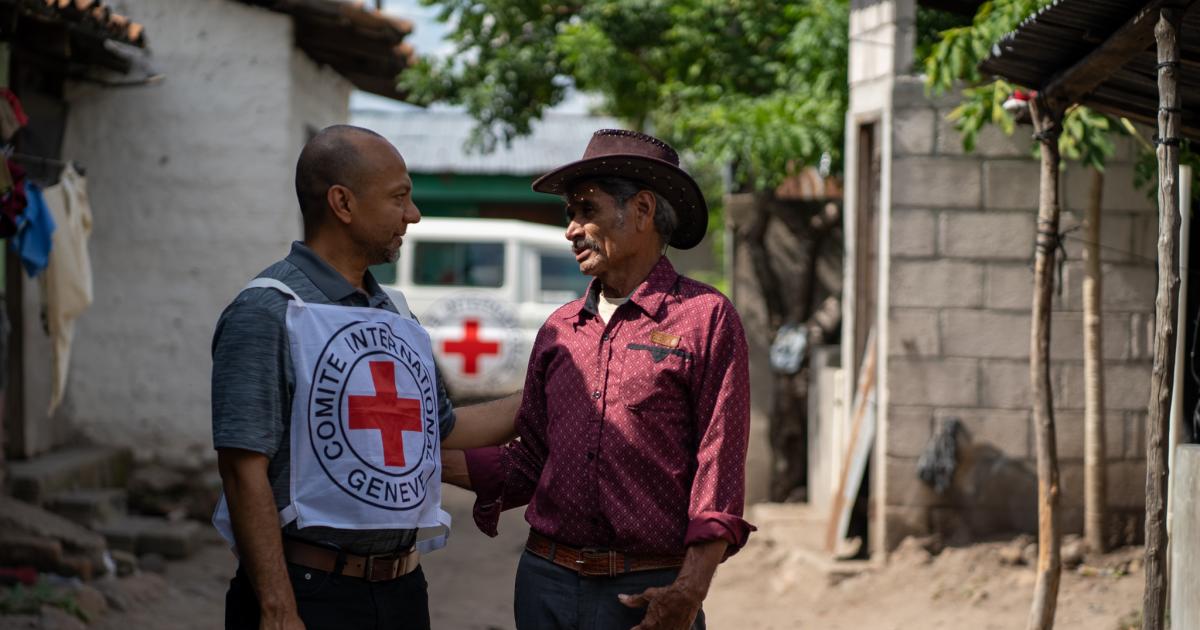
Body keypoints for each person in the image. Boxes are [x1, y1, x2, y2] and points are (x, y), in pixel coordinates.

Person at [211, 125, 518, 630]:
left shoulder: (394, 313)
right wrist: (276, 606)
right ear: (343, 203)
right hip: (308, 594)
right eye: (400, 197)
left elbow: (441, 431)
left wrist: (548, 396)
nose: (413, 214)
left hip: (400, 591)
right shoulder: (268, 310)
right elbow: (243, 471)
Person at [444, 129, 753, 630]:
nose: (571, 229)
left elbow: (717, 468)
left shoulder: (705, 318)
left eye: (586, 209)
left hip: (646, 593)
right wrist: (414, 463)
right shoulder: (561, 329)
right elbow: (530, 460)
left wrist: (688, 591)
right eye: (570, 213)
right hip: (545, 584)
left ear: (643, 210)